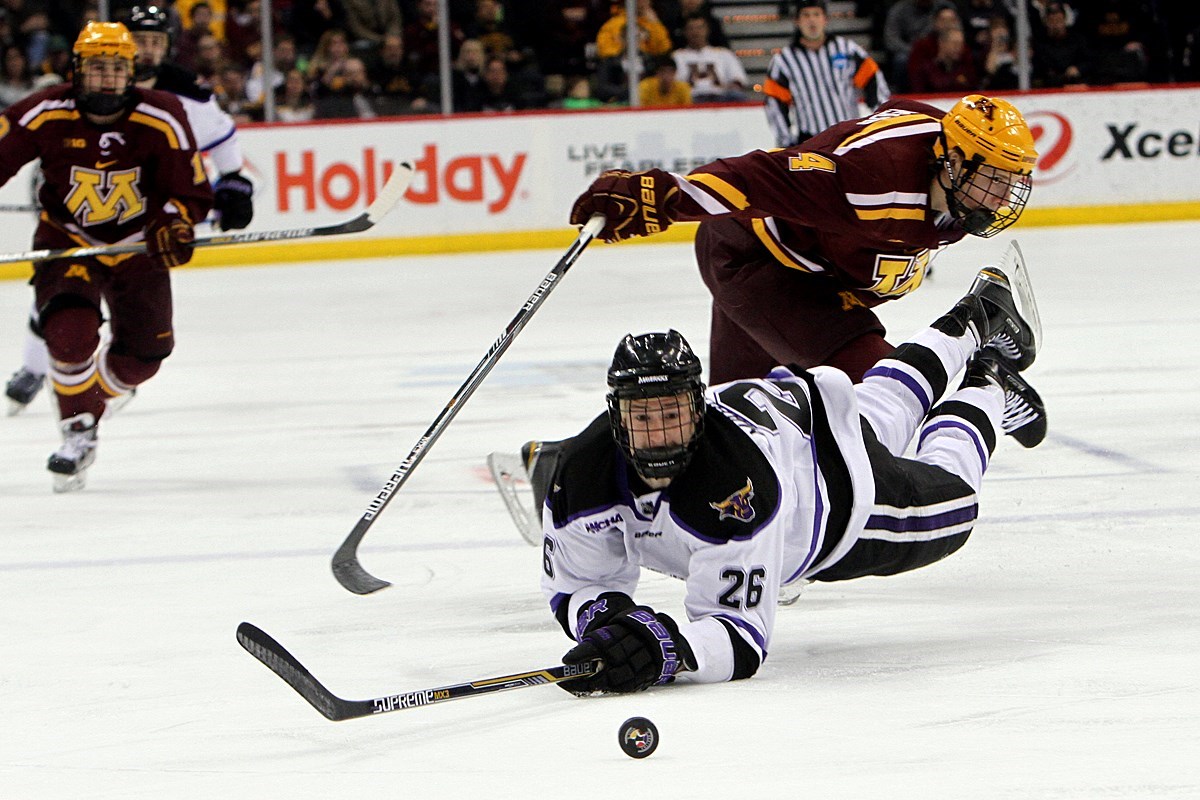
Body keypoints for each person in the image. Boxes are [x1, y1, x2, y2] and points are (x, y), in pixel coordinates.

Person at [534, 267, 1046, 694]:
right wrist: (606, 621)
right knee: (888, 406)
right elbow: (579, 586)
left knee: (955, 506)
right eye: (643, 418)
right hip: (800, 416)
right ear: (616, 417)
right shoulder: (581, 477)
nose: (660, 435)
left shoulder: (732, 486)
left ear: (697, 406)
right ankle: (974, 317)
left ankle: (988, 382)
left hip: (833, 497)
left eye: (673, 414)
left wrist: (665, 649)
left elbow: (739, 638)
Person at [567, 94, 1037, 386]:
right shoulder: (872, 181)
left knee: (736, 417)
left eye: (1010, 182)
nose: (1001, 197)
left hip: (814, 273)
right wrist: (661, 197)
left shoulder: (951, 179)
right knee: (888, 384)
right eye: (993, 178)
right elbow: (757, 177)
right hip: (756, 261)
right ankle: (980, 379)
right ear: (953, 160)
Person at [4, 3, 252, 415]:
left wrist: (227, 187)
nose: (108, 77)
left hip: (137, 233)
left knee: (143, 347)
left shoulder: (181, 94)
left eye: (156, 42)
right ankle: (40, 370)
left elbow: (214, 147)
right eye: (143, 41)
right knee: (62, 308)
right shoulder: (53, 107)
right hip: (74, 218)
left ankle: (91, 387)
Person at [0, 21, 212, 490]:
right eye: (97, 69)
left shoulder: (163, 114)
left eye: (116, 70)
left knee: (146, 356)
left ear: (132, 72)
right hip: (67, 238)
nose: (106, 79)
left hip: (136, 244)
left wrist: (176, 221)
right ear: (76, 70)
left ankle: (93, 399)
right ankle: (77, 431)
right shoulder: (43, 111)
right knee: (68, 335)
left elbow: (190, 188)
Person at [763, 0, 889, 147]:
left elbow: (874, 81)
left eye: (816, 14)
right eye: (806, 15)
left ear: (825, 19)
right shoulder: (784, 61)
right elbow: (774, 103)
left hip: (849, 137)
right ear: (797, 21)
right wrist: (785, 141)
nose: (812, 20)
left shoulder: (847, 50)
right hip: (811, 141)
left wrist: (879, 121)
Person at [672, 16, 747, 104]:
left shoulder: (723, 53)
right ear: (684, 32)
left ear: (707, 30)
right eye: (691, 28)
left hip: (720, 97)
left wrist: (732, 86)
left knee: (737, 95)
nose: (695, 32)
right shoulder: (677, 56)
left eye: (700, 28)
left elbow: (737, 78)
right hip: (691, 98)